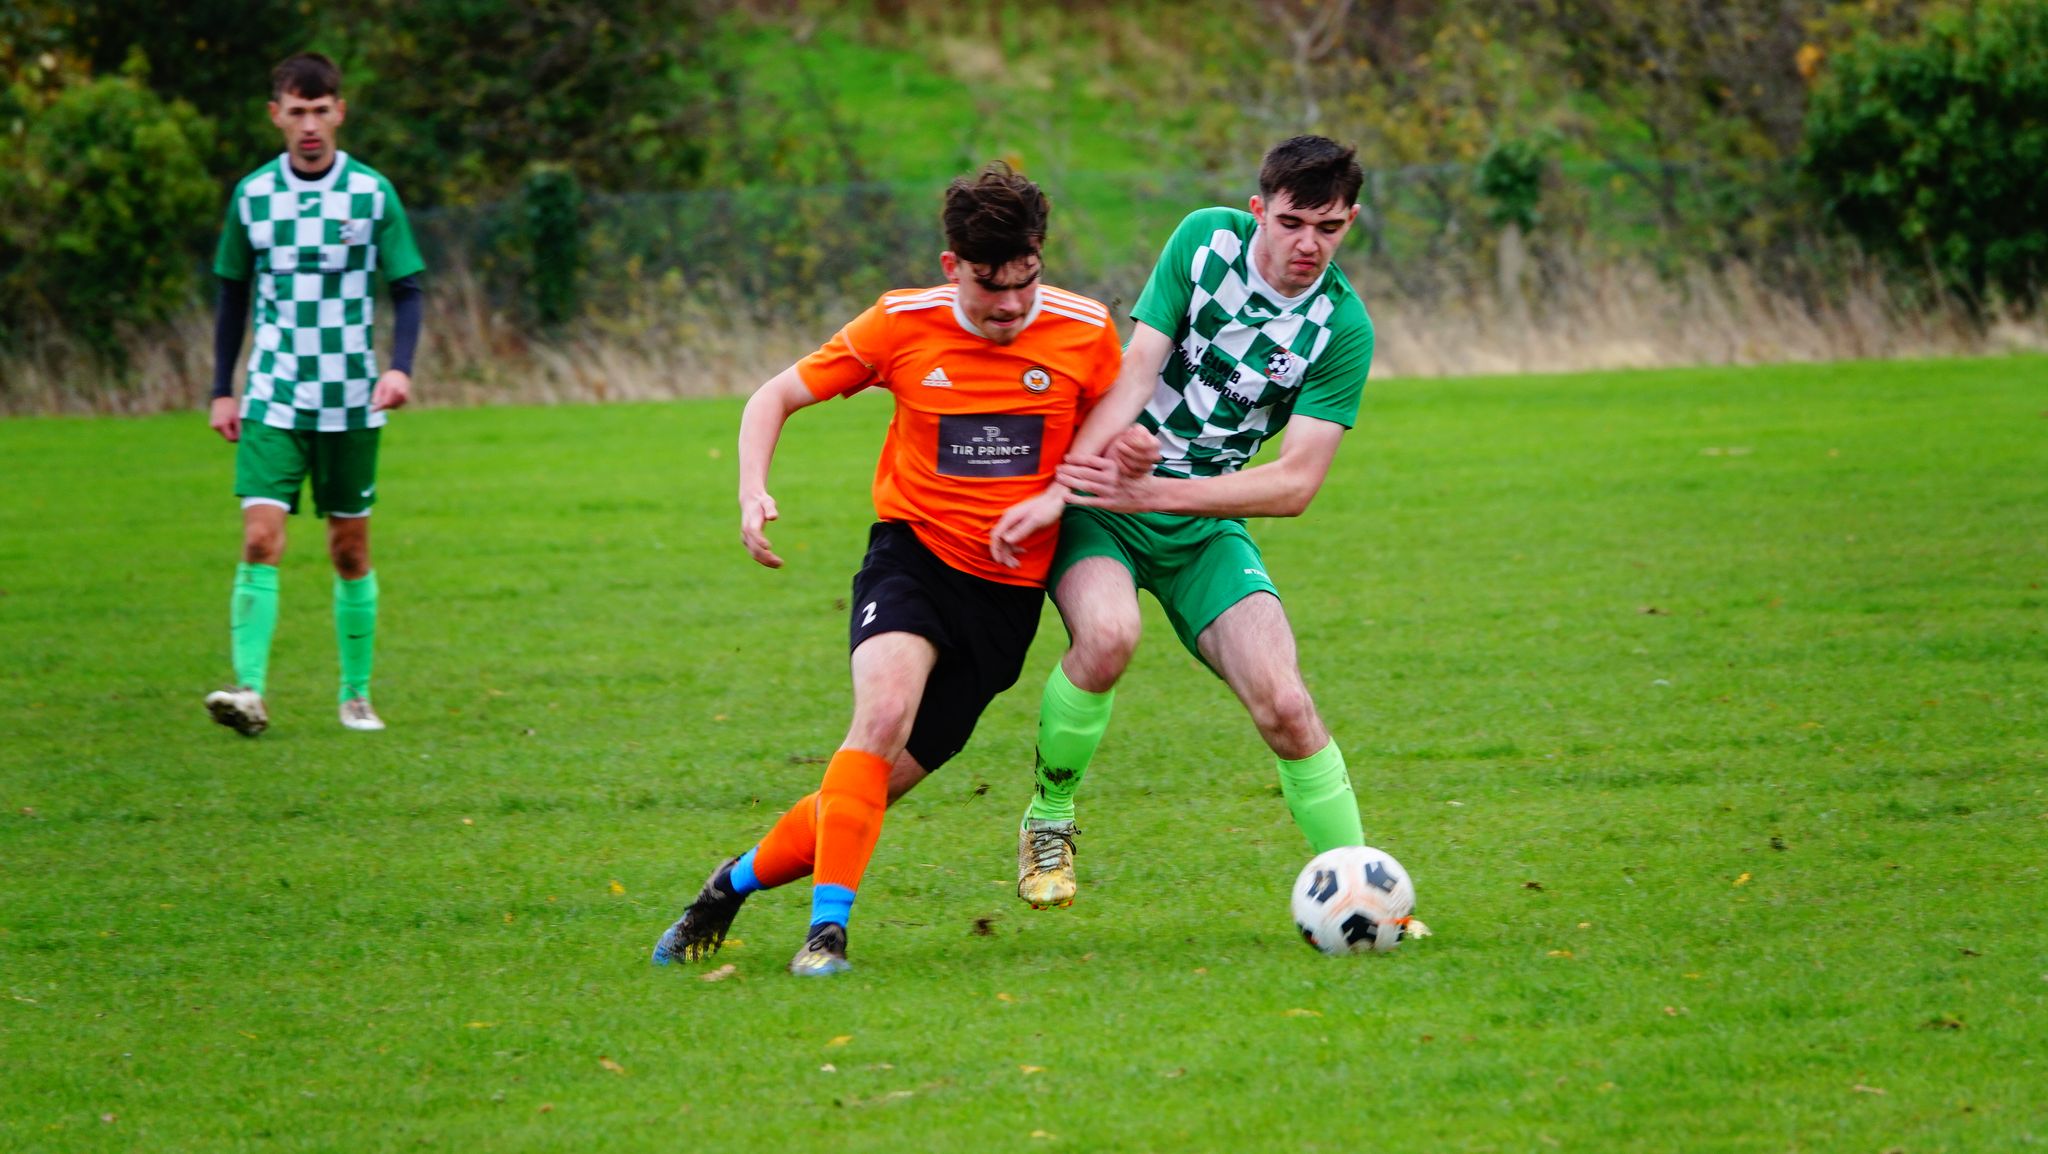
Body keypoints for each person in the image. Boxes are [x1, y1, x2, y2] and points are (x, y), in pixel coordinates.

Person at [651, 164, 1126, 976]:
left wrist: (1083, 481)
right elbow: (773, 397)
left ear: (1040, 256)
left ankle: (726, 887)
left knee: (864, 795)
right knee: (877, 721)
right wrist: (751, 490)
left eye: (1025, 282)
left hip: (1005, 603)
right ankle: (825, 937)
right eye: (987, 287)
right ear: (952, 267)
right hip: (913, 560)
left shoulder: (1086, 330)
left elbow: (1113, 434)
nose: (1009, 306)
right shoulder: (899, 323)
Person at [991, 135, 1378, 909]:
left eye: (1329, 229)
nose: (1310, 245)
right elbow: (1137, 369)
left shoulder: (1342, 329)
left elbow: (1295, 485)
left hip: (1198, 519)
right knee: (1107, 637)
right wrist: (1066, 492)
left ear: (1350, 222)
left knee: (1285, 703)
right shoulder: (1205, 242)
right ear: (1258, 210)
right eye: (1294, 222)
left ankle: (1368, 893)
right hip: (1106, 502)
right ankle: (1050, 819)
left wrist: (1160, 495)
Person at [203, 52, 425, 736]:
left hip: (353, 402)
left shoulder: (371, 193)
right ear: (276, 115)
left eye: (320, 110)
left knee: (348, 551)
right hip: (273, 397)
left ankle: (355, 695)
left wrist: (399, 368)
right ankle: (248, 693)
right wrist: (221, 389)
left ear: (340, 112)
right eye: (295, 111)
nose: (309, 125)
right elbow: (231, 295)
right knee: (262, 539)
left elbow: (409, 288)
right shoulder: (253, 197)